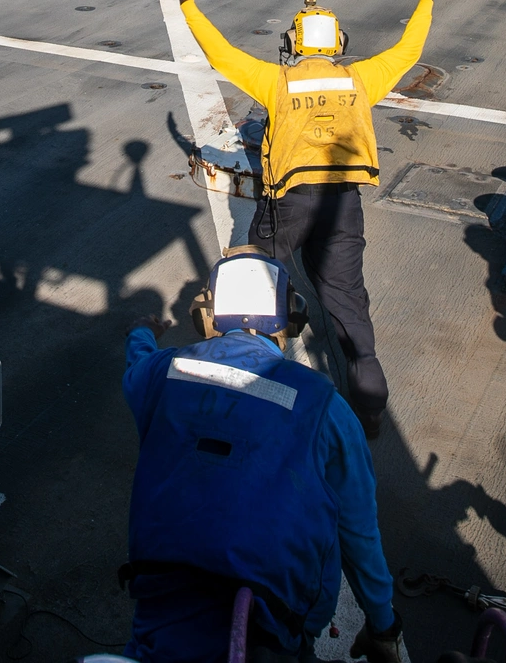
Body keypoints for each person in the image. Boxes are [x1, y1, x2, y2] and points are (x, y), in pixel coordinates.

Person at [176, 0, 436, 437]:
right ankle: (371, 409)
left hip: (289, 203)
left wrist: (189, 5)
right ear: (337, 43)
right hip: (343, 205)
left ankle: (243, 387)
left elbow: (220, 54)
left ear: (294, 43)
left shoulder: (278, 82)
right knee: (347, 303)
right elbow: (408, 50)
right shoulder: (360, 79)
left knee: (252, 287)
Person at [120, 247, 405, 663]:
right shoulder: (325, 406)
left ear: (208, 314)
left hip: (160, 592)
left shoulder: (161, 373)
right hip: (273, 620)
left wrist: (140, 331)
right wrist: (383, 625)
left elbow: (136, 365)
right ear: (292, 317)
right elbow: (358, 533)